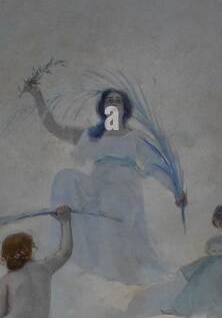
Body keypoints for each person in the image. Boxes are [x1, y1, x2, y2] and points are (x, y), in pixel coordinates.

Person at [25, 78, 185, 284]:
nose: (113, 103)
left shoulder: (133, 137)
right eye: (109, 100)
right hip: (98, 185)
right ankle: (65, 237)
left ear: (124, 108)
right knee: (65, 177)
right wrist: (37, 96)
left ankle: (117, 270)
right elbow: (53, 127)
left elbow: (155, 165)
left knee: (112, 205)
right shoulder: (92, 135)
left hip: (124, 188)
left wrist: (176, 191)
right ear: (103, 107)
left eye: (117, 100)